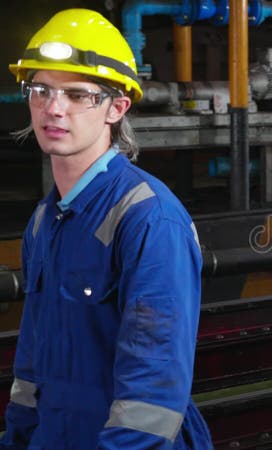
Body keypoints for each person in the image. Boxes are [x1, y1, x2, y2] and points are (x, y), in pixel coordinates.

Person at [1, 9, 212, 449]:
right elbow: (31, 366)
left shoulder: (149, 218)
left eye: (77, 95)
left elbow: (152, 395)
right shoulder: (44, 220)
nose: (53, 108)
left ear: (116, 108)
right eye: (40, 90)